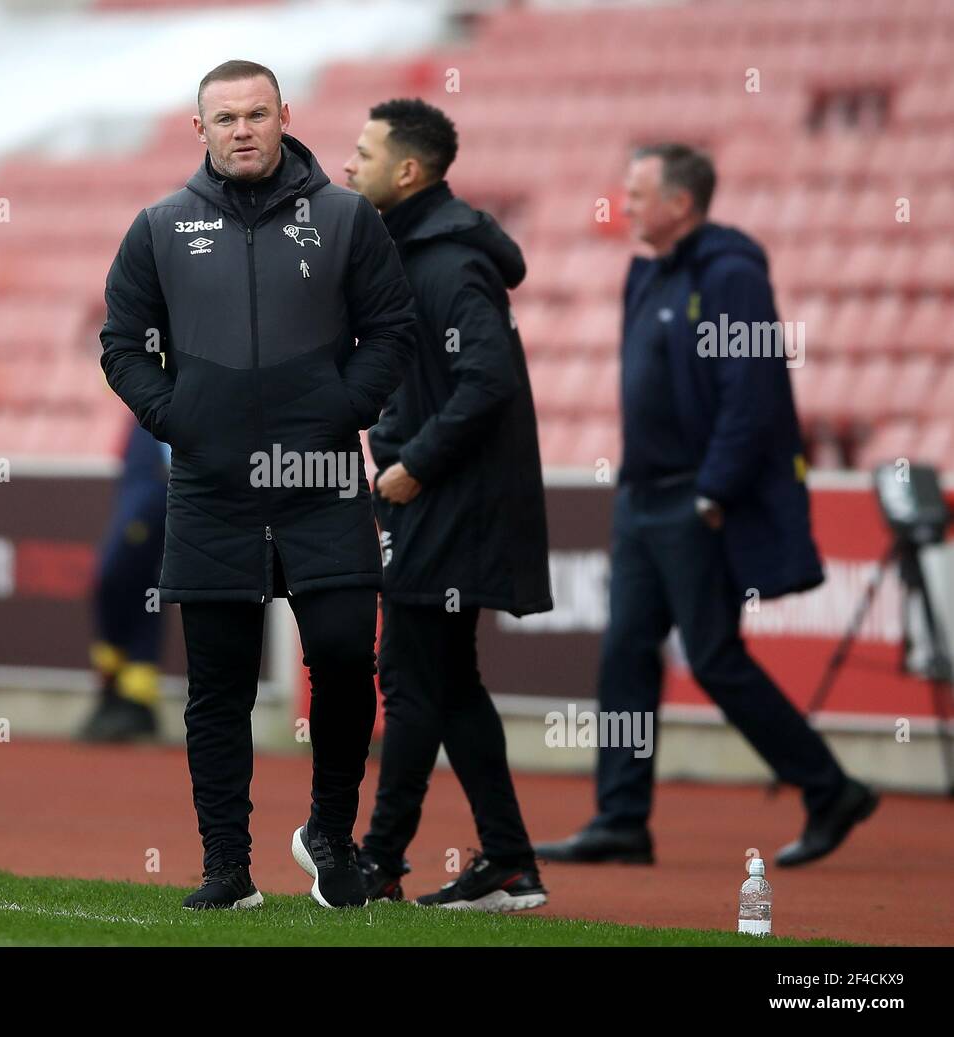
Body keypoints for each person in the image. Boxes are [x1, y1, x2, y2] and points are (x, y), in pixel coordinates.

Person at [100, 60, 418, 909]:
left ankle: (329, 836)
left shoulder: (347, 218)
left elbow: (394, 328)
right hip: (211, 488)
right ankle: (226, 867)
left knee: (349, 659)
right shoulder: (159, 227)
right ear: (197, 129)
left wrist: (342, 406)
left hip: (321, 481)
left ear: (285, 116)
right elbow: (120, 344)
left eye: (256, 114)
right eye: (224, 118)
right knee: (219, 687)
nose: (242, 129)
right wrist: (177, 417)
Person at [535, 144, 878, 868]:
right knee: (625, 653)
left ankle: (829, 787)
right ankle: (621, 817)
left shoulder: (731, 275)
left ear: (681, 204)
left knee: (716, 658)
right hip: (642, 498)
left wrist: (714, 490)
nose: (624, 205)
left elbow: (752, 394)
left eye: (636, 192)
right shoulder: (649, 275)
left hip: (695, 501)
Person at [342, 98, 554, 911]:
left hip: (450, 503)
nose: (348, 165)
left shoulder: (451, 260)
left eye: (364, 153)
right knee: (451, 684)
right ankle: (507, 861)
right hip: (444, 502)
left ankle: (378, 861)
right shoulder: (419, 250)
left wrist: (413, 468)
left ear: (409, 171)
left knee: (411, 679)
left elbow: (487, 379)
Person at [80, 422, 168, 743]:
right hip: (139, 476)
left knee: (113, 575)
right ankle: (133, 697)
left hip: (157, 482)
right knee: (142, 586)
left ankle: (121, 689)